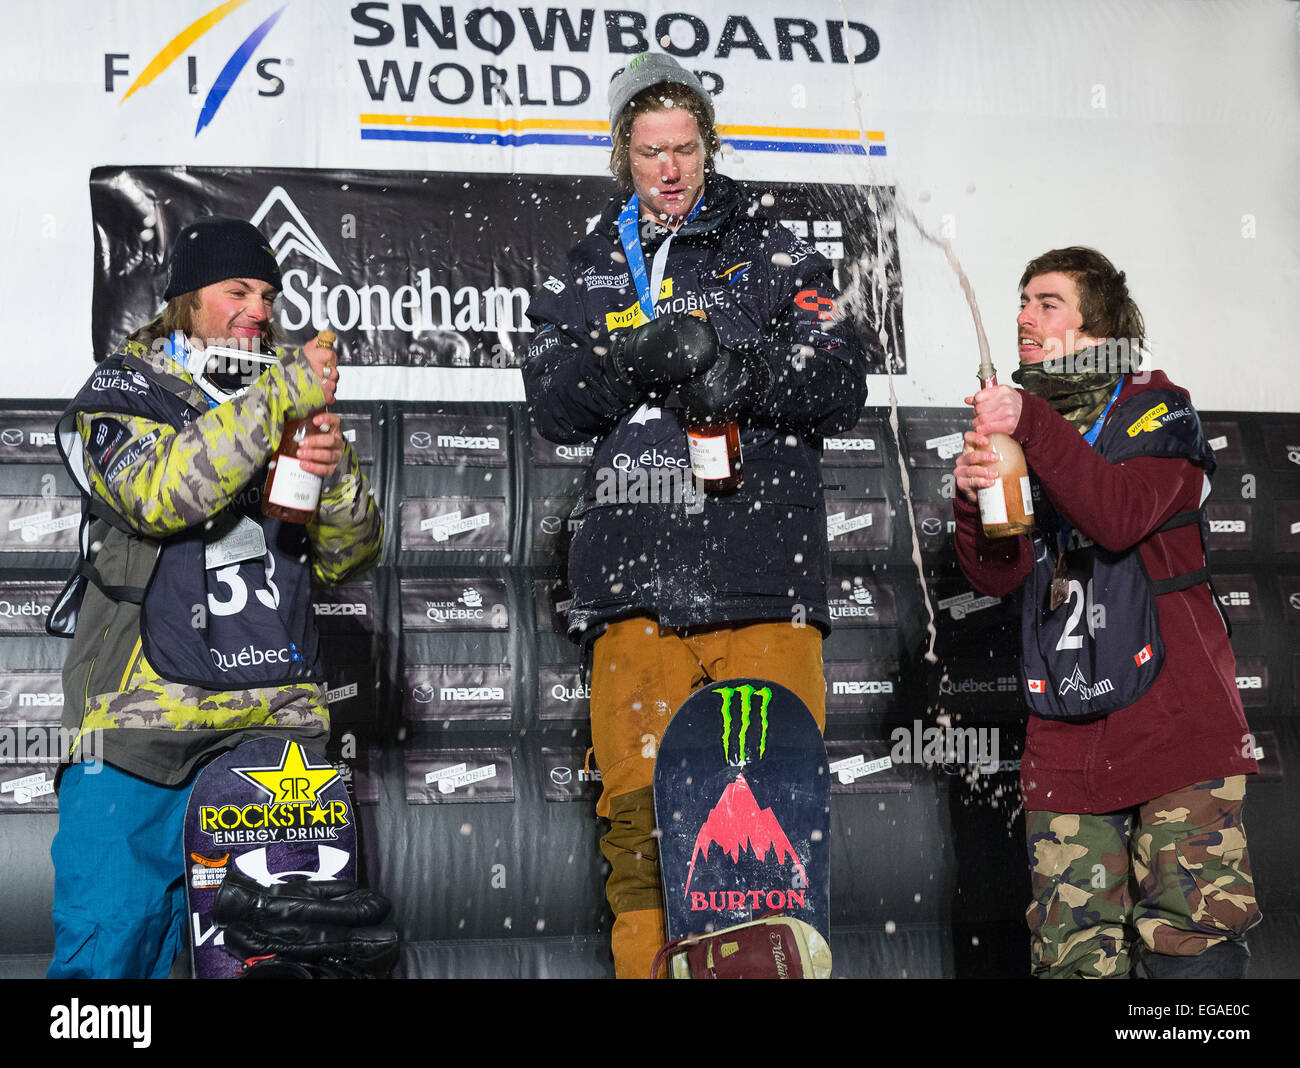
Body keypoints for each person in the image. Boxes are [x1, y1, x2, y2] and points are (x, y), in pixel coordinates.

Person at [523, 53, 871, 978]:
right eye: (649, 152)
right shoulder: (591, 263)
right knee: (637, 822)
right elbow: (552, 403)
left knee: (769, 821)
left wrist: (744, 375)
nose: (669, 169)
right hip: (633, 582)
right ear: (621, 155)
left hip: (761, 576)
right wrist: (629, 362)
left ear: (708, 148)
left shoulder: (778, 248)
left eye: (684, 149)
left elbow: (842, 380)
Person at [46, 216, 382, 978]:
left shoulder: (284, 399)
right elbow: (159, 493)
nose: (258, 309)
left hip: (273, 728)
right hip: (138, 733)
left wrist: (331, 481)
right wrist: (278, 404)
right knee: (110, 955)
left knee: (270, 962)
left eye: (267, 293)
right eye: (237, 290)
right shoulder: (122, 390)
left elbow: (354, 553)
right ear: (185, 303)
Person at [952, 246, 1260, 978]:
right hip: (1066, 729)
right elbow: (1000, 575)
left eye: (1047, 303)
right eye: (1021, 301)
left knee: (1193, 941)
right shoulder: (1021, 429)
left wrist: (1029, 422)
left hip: (1174, 718)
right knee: (1071, 956)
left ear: (1100, 331)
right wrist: (972, 500)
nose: (1024, 317)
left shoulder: (1160, 406)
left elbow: (1118, 516)